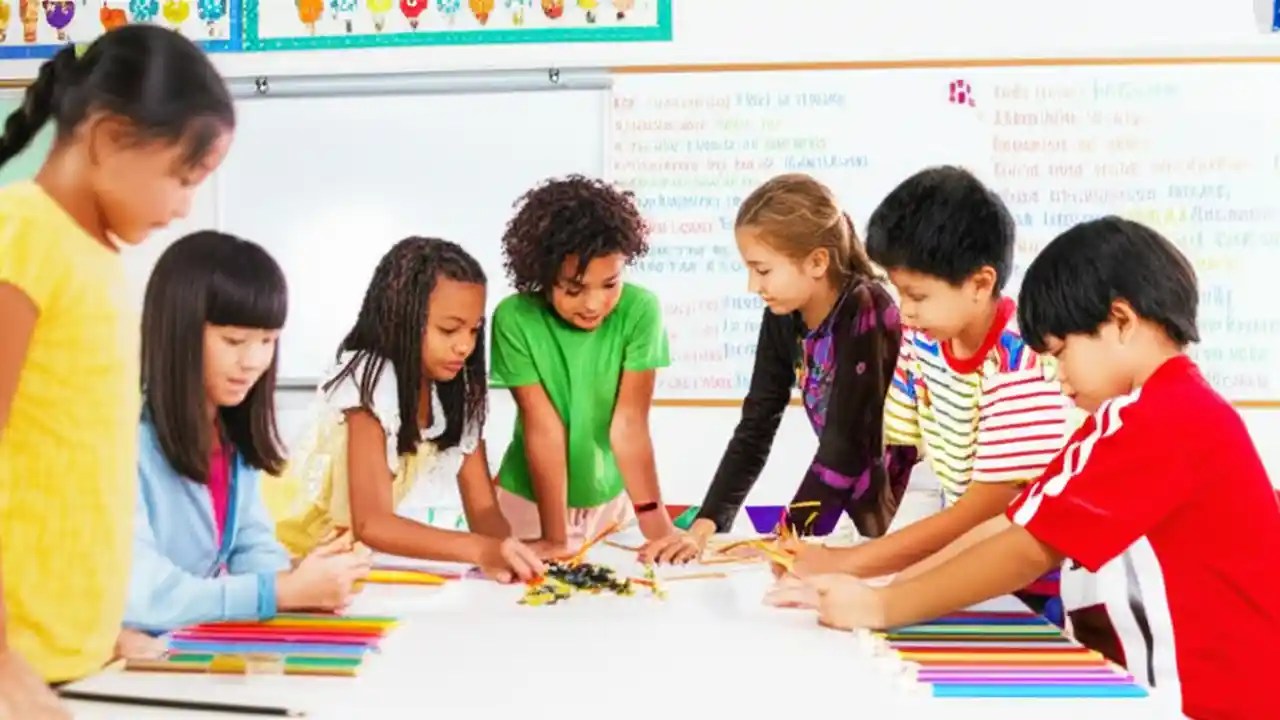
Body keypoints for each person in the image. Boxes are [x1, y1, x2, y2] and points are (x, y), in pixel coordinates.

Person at [772, 216, 1280, 720]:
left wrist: (883, 607)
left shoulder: (1162, 417)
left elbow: (1028, 548)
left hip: (1211, 701)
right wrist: (882, 594)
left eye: (1061, 353)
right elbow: (1017, 522)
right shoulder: (1136, 414)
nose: (1056, 377)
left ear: (1121, 322)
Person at [0, 26, 234, 715]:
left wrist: (105, 631)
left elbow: (76, 470)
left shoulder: (98, 259)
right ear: (106, 140)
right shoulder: (22, 233)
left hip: (71, 656)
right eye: (182, 177)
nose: (186, 205)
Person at [779, 167, 1073, 616]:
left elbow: (983, 512)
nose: (906, 312)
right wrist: (864, 567)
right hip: (958, 558)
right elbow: (904, 460)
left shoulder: (1020, 365)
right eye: (899, 293)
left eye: (918, 295)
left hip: (1024, 583)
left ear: (980, 284)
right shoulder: (923, 342)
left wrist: (854, 566)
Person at [643, 174, 913, 564]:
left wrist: (786, 537)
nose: (753, 285)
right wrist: (705, 526)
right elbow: (756, 426)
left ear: (817, 261)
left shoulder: (866, 307)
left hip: (901, 513)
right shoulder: (784, 314)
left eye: (763, 270)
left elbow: (847, 445)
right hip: (851, 512)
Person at [123, 232, 369, 636]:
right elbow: (145, 596)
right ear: (179, 332)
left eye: (268, 341)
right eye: (233, 341)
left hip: (181, 645)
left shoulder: (231, 437)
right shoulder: (127, 439)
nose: (253, 361)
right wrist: (279, 591)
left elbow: (252, 547)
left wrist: (309, 586)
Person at [271, 237, 543, 583]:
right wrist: (480, 550)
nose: (465, 345)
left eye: (474, 330)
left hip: (336, 564)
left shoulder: (454, 390)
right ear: (401, 319)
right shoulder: (370, 378)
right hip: (282, 555)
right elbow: (373, 523)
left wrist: (507, 551)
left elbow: (484, 510)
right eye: (449, 329)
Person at [490, 175, 688, 561]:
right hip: (528, 503)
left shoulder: (640, 310)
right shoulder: (515, 318)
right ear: (543, 276)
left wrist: (659, 528)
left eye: (610, 284)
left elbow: (629, 425)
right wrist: (554, 536)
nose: (594, 305)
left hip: (611, 507)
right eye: (574, 289)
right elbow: (543, 427)